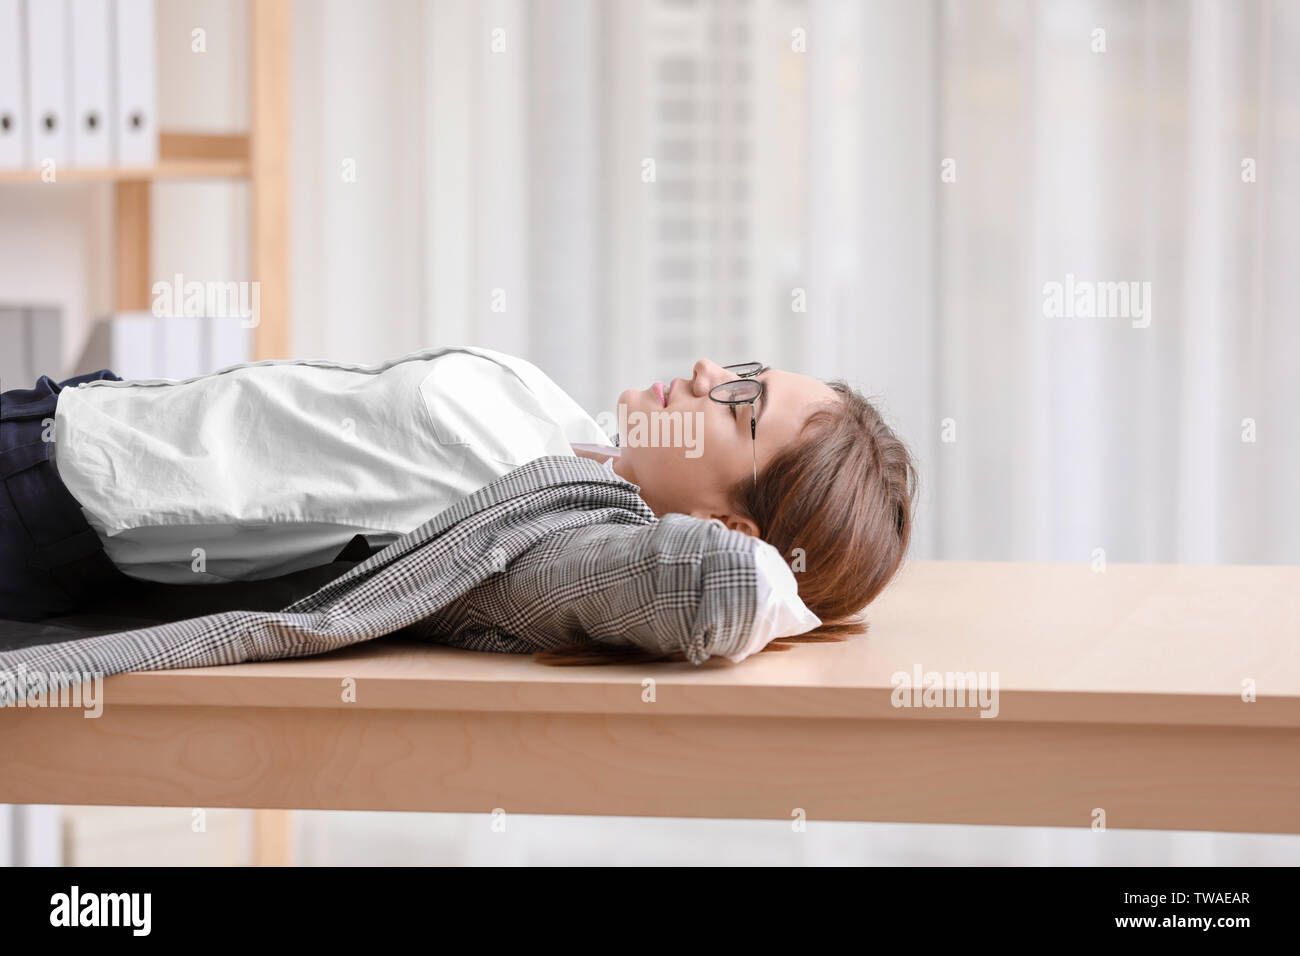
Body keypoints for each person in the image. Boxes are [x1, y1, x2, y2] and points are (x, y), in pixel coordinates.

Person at [0, 347, 918, 648]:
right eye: (746, 367)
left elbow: (728, 587)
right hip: (72, 412)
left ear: (728, 522)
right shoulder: (584, 444)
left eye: (742, 403)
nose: (709, 369)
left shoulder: (543, 529)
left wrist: (799, 593)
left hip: (38, 505)